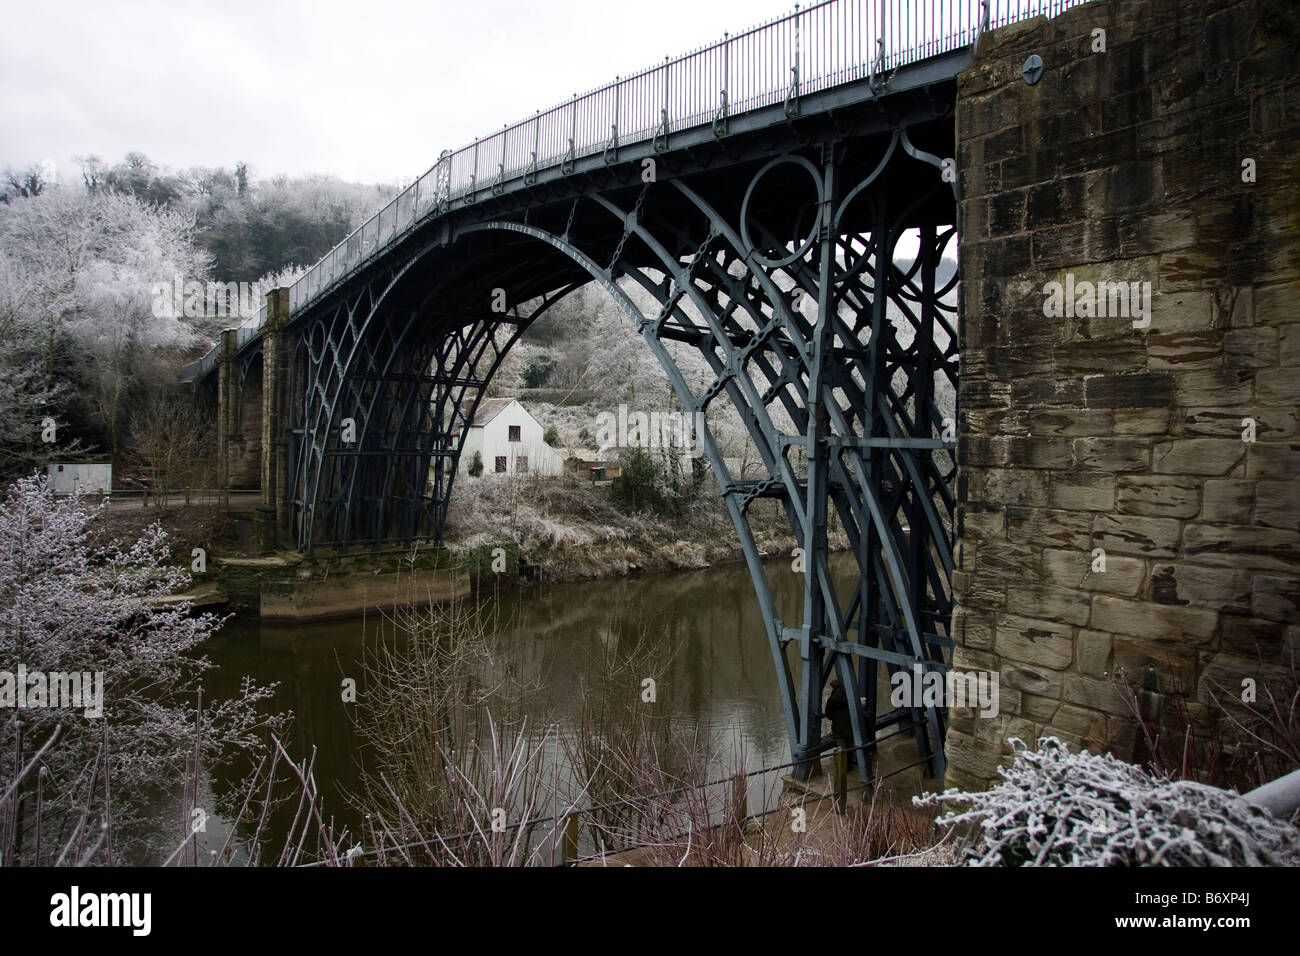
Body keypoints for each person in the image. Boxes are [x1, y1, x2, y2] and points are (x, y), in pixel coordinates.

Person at [825, 677, 856, 768]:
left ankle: (844, 768)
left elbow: (829, 715)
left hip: (839, 728)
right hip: (851, 726)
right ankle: (850, 764)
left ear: (833, 687)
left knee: (842, 748)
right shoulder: (850, 696)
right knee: (850, 746)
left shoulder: (832, 700)